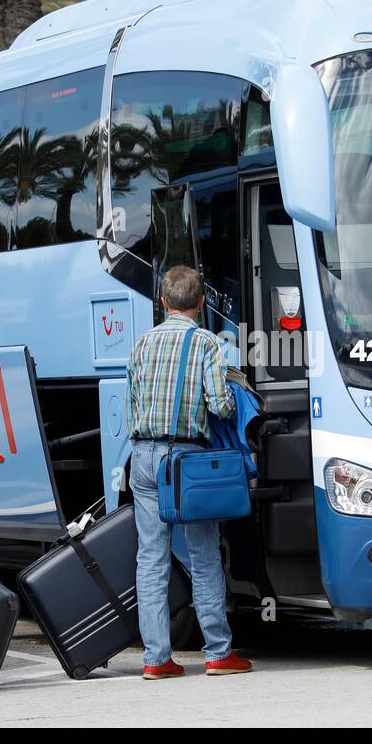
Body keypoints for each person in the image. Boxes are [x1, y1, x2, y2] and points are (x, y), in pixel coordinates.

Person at [127, 265, 252, 680]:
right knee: (203, 555)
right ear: (201, 303)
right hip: (186, 461)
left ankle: (156, 659)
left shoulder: (142, 344)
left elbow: (133, 402)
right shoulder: (206, 344)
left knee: (151, 558)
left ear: (164, 302)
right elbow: (220, 406)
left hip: (143, 457)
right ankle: (217, 653)